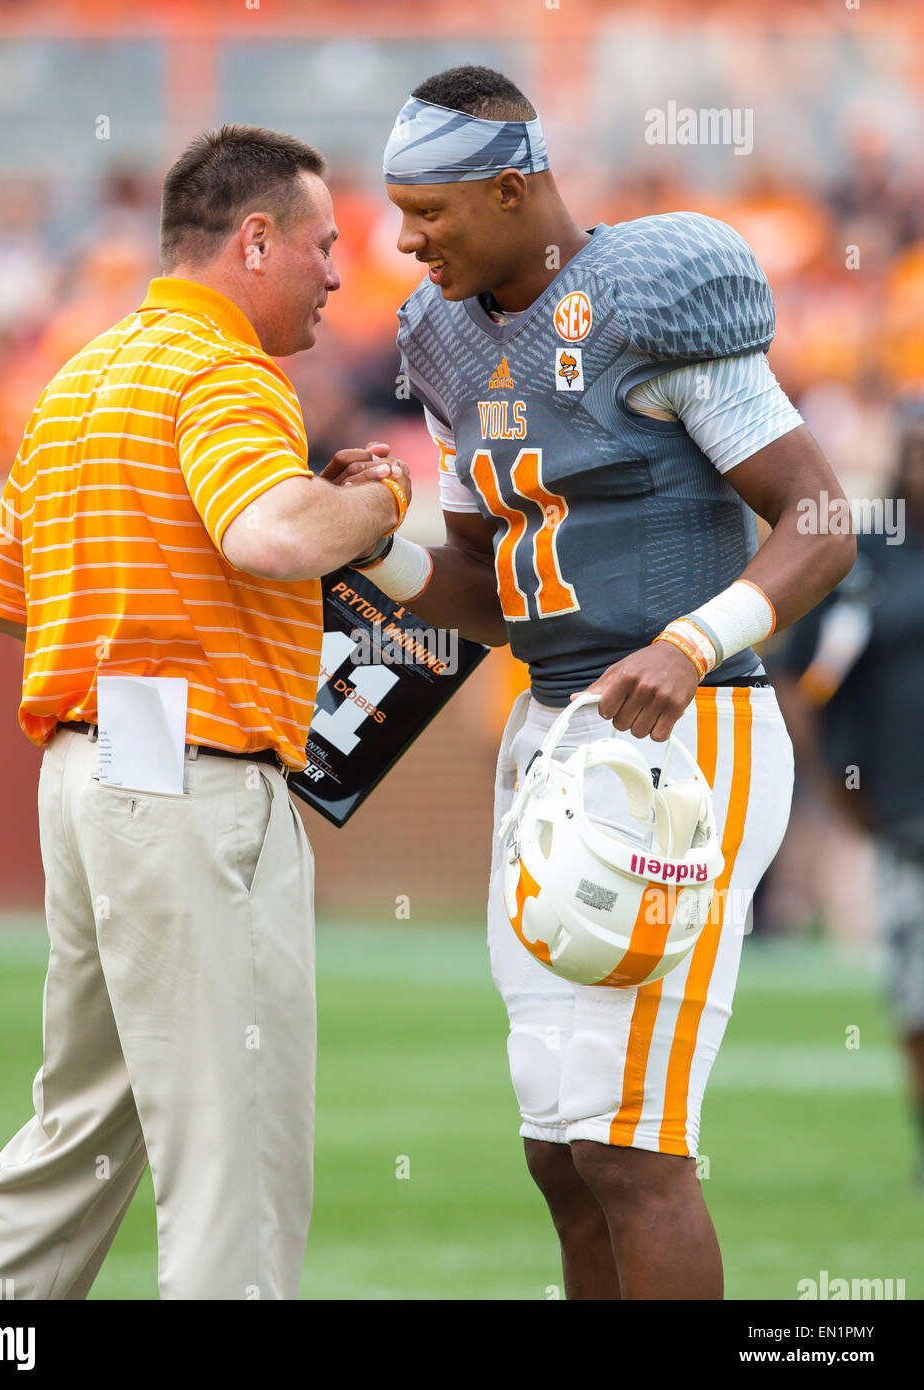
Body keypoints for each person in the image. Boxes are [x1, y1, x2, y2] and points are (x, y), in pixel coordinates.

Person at [341, 65, 855, 1299]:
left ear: (511, 188)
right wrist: (374, 546)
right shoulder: (442, 337)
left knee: (631, 1146)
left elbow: (822, 520)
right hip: (552, 732)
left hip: (691, 733)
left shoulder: (649, 292)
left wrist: (689, 641)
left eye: (428, 211)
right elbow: (491, 588)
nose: (405, 242)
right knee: (560, 1152)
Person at [0, 124, 411, 1301]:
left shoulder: (79, 374)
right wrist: (380, 505)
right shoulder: (225, 368)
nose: (336, 272)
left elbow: (2, 602)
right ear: (254, 241)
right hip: (195, 774)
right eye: (320, 243)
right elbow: (274, 534)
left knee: (77, 1137)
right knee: (232, 1154)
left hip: (89, 768)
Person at [770, 404, 924, 1187]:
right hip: (901, 810)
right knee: (915, 989)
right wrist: (832, 776)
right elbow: (802, 674)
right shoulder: (868, 558)